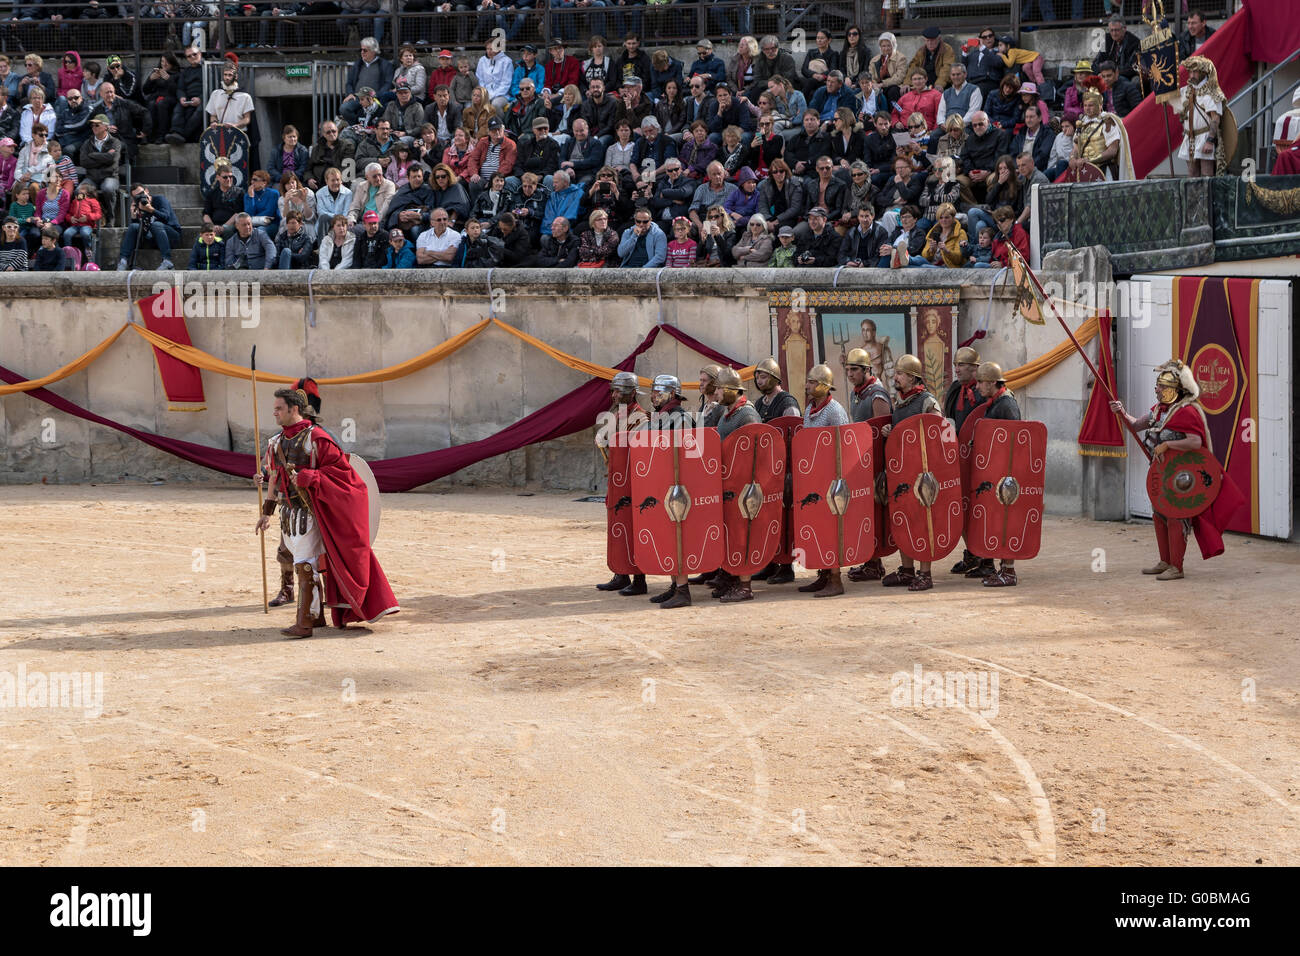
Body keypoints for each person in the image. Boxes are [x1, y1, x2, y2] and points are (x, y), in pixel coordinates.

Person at [255, 385, 399, 637]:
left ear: (294, 409)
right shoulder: (276, 442)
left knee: (305, 564)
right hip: (289, 515)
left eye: (279, 408)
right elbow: (275, 478)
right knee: (299, 560)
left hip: (313, 513)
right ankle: (316, 616)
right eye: (274, 409)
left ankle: (304, 623)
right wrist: (266, 513)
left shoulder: (316, 438)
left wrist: (312, 477)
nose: (274, 413)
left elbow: (344, 474)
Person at [1108, 360, 1244, 582]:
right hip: (1162, 473)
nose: (1157, 390)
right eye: (1157, 386)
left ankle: (1177, 567)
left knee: (1175, 516)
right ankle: (1165, 561)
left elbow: (1194, 441)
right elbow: (1135, 425)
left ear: (1175, 390)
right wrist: (1121, 412)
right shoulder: (1159, 411)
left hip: (1182, 476)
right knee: (1159, 514)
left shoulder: (1187, 412)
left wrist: (1168, 445)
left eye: (1162, 386)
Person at [878, 354, 941, 590]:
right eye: (896, 373)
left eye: (900, 374)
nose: (896, 377)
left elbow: (938, 433)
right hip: (901, 472)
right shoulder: (901, 402)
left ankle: (925, 574)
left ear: (913, 378)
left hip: (923, 474)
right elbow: (902, 434)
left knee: (923, 522)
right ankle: (907, 570)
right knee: (902, 519)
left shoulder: (927, 402)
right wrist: (890, 431)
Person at [642, 374, 697, 610]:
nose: (654, 395)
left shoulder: (681, 418)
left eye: (658, 391)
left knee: (679, 538)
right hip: (666, 486)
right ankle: (675, 586)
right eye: (653, 391)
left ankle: (683, 591)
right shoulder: (663, 417)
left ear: (672, 394)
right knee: (669, 536)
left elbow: (685, 457)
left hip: (680, 488)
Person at [711, 366, 763, 604]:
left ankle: (745, 586)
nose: (717, 391)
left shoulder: (747, 415)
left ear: (732, 390)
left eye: (720, 388)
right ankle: (732, 578)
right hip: (728, 485)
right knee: (731, 535)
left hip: (745, 487)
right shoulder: (726, 414)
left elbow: (756, 454)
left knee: (744, 535)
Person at [797, 364, 850, 598]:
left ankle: (836, 579)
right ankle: (824, 575)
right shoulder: (810, 409)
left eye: (810, 382)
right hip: (813, 479)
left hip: (832, 480)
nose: (806, 385)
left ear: (822, 385)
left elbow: (844, 446)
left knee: (832, 529)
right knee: (819, 527)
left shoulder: (835, 411)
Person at [595, 370, 648, 595]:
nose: (614, 395)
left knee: (635, 529)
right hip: (618, 481)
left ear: (631, 393)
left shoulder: (641, 418)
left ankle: (639, 580)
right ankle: (621, 573)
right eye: (613, 391)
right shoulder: (618, 414)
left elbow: (638, 452)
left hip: (633, 483)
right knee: (618, 528)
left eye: (619, 391)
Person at [1065, 81, 1135, 182]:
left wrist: (1090, 161)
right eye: (1085, 105)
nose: (1087, 109)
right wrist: (1072, 159)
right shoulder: (1081, 124)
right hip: (1084, 170)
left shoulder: (1108, 122)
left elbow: (1112, 150)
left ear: (1099, 105)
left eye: (1091, 105)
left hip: (1103, 170)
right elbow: (1076, 148)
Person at [1175, 56, 1227, 178]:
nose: (1192, 75)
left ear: (1203, 73)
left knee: (1206, 174)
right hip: (1190, 137)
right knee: (1192, 174)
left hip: (1204, 137)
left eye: (1195, 72)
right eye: (1190, 72)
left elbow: (1215, 118)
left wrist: (1210, 140)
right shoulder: (1186, 91)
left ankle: (1207, 198)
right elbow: (1171, 99)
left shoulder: (1211, 93)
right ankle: (1194, 197)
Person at [117, 183, 181, 270]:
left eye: (141, 193)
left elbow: (166, 217)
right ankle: (123, 261)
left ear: (147, 191)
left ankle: (167, 261)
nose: (140, 197)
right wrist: (134, 217)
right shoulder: (138, 206)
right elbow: (140, 230)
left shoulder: (160, 200)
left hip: (171, 236)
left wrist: (150, 209)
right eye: (137, 196)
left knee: (156, 225)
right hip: (154, 238)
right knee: (133, 226)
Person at [907, 26, 955, 91]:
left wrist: (939, 84)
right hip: (923, 82)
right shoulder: (921, 51)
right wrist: (907, 83)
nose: (929, 43)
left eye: (932, 40)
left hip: (940, 82)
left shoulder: (947, 49)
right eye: (927, 40)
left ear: (939, 39)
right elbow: (912, 67)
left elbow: (947, 68)